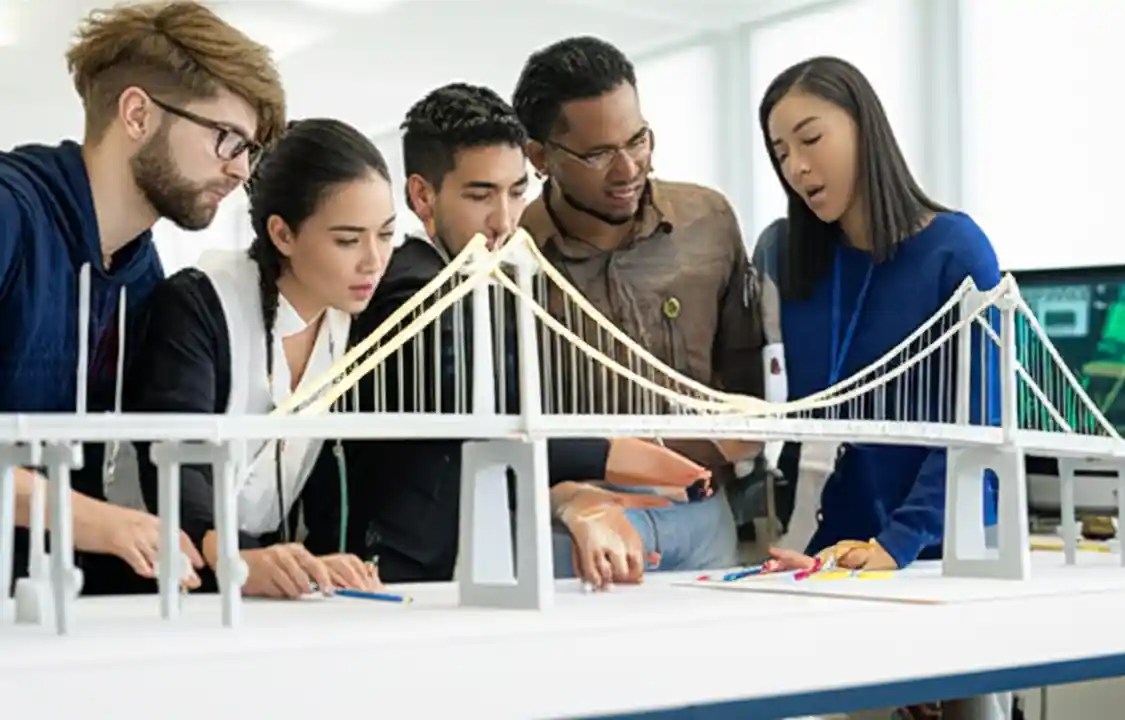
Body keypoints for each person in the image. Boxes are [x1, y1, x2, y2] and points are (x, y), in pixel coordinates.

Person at [303, 83, 715, 590]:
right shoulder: (411, 286)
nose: (504, 220)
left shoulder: (476, 282)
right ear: (422, 195)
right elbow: (488, 427)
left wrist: (579, 492)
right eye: (480, 195)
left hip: (444, 572)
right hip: (384, 580)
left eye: (517, 191)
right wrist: (620, 454)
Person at [0, 0, 285, 594]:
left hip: (50, 606)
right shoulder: (10, 215)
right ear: (136, 114)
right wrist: (98, 522)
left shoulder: (141, 273)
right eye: (227, 139)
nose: (239, 172)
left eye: (249, 151)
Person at [755, 56, 1007, 720]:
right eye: (781, 152)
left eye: (811, 139)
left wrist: (898, 543)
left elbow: (976, 428)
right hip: (832, 558)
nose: (798, 168)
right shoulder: (785, 254)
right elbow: (781, 412)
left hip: (940, 551)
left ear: (865, 127)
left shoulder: (955, 249)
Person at [512, 36, 765, 570]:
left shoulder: (708, 220)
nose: (628, 168)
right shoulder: (511, 253)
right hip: (576, 529)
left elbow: (748, 372)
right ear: (539, 157)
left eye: (638, 140)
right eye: (599, 154)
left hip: (704, 519)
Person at [126, 119, 389, 599]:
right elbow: (174, 455)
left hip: (254, 573)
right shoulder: (199, 303)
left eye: (386, 235)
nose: (373, 260)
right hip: (159, 572)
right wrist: (236, 554)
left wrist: (324, 562)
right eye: (349, 240)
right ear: (283, 234)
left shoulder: (346, 323)